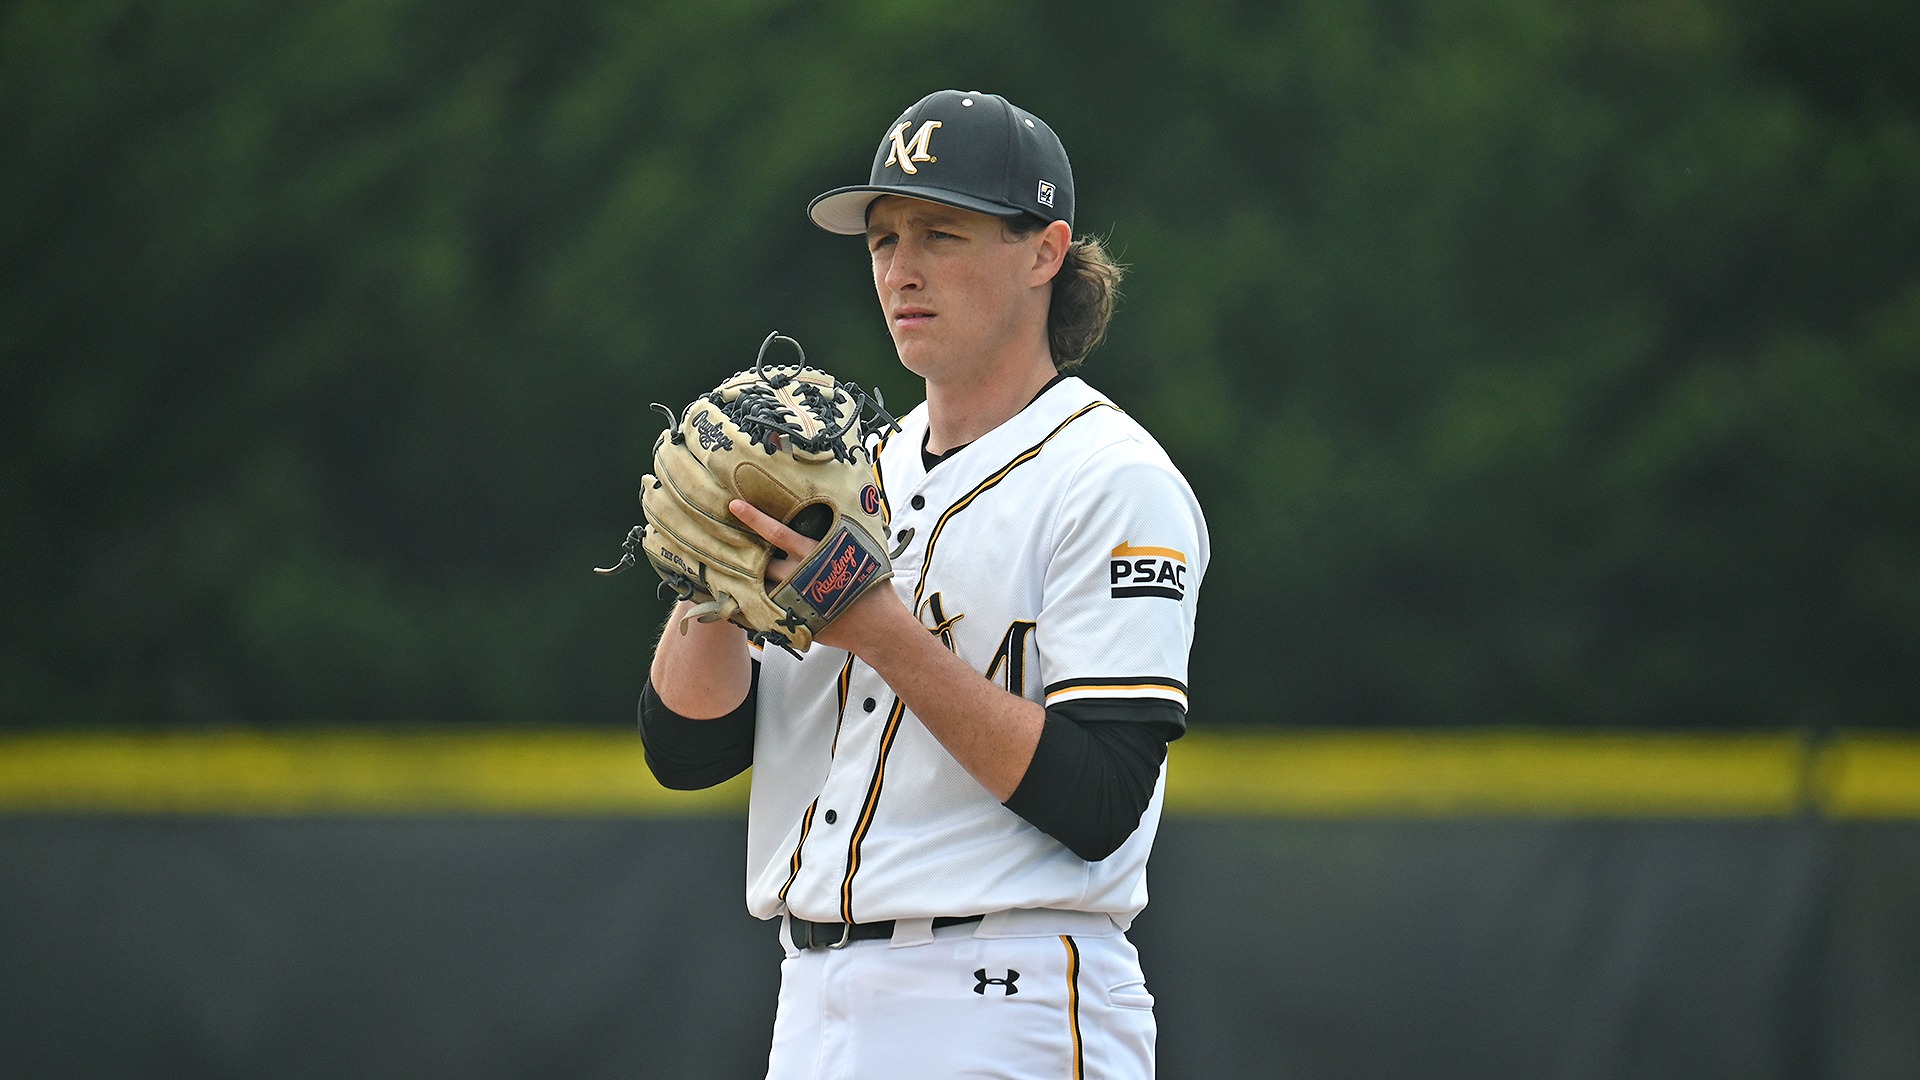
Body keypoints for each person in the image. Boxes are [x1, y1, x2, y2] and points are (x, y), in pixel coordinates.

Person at [639, 89, 1209, 1080]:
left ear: (1045, 252)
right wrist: (713, 575)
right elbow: (688, 754)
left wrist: (881, 631)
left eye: (941, 234)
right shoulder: (846, 472)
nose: (902, 268)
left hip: (1007, 999)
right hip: (812, 1003)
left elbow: (1103, 800)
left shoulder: (1112, 480)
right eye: (883, 239)